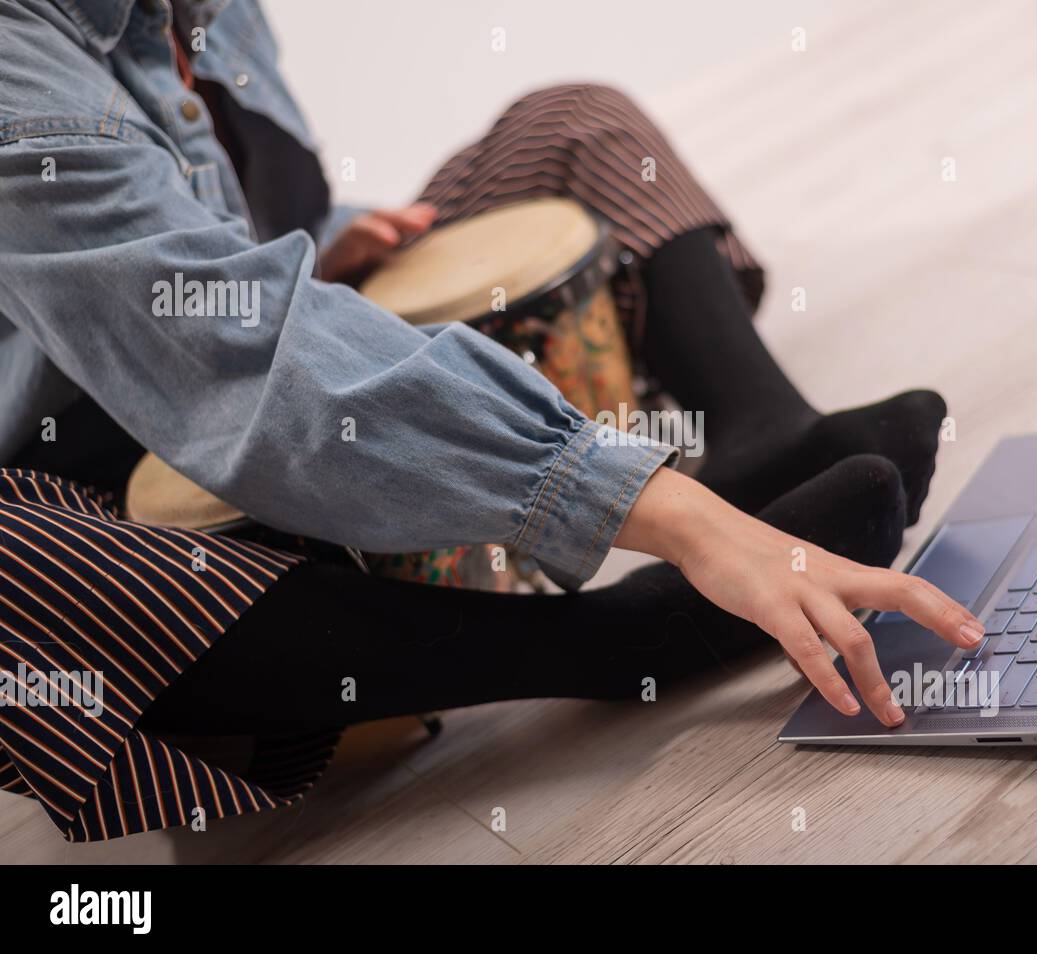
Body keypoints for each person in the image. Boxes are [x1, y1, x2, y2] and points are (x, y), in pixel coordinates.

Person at [0, 0, 978, 842]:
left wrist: (327, 244)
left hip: (237, 323)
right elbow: (232, 352)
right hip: (70, 474)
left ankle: (763, 439)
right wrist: (672, 519)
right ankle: (605, 638)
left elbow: (203, 223)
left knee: (571, 122)